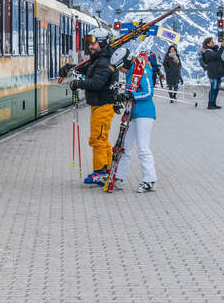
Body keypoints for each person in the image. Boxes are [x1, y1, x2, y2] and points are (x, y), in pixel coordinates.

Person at [61, 30, 117, 184]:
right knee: (102, 138)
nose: (90, 46)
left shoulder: (105, 62)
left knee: (97, 139)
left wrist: (79, 83)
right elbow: (87, 69)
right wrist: (70, 67)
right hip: (99, 105)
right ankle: (108, 170)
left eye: (93, 43)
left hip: (103, 105)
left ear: (102, 43)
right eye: (89, 43)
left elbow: (97, 83)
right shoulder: (98, 59)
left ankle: (100, 172)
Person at [116, 52, 158, 191]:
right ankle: (118, 177)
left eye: (121, 67)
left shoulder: (142, 70)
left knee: (142, 148)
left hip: (145, 113)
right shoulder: (130, 73)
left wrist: (130, 96)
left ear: (126, 62)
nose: (121, 70)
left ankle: (149, 180)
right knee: (125, 147)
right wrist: (121, 99)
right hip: (132, 114)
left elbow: (148, 92)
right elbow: (129, 92)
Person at [200, 36, 224, 109]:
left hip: (218, 72)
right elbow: (216, 56)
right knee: (213, 88)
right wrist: (222, 47)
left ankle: (214, 103)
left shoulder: (213, 50)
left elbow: (217, 56)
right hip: (212, 72)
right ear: (208, 44)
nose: (213, 42)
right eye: (211, 42)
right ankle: (210, 104)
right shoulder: (207, 51)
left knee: (217, 88)